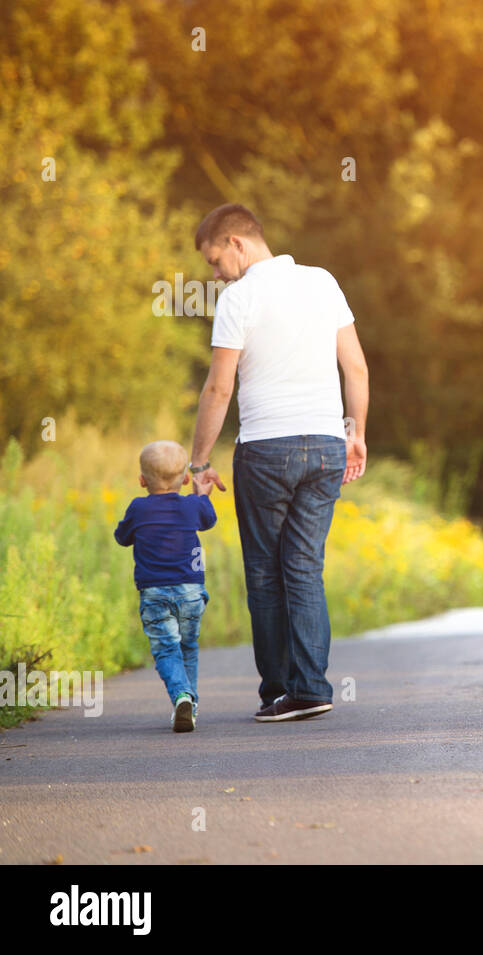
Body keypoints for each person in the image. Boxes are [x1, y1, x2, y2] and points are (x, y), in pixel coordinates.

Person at [187, 203, 369, 723]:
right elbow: (354, 365)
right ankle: (311, 687)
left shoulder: (239, 298)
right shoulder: (322, 282)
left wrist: (199, 464)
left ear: (237, 244)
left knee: (266, 573)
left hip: (267, 449)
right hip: (327, 445)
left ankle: (277, 693)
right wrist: (355, 431)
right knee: (306, 568)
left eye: (214, 259)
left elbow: (220, 387)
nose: (215, 273)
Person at [113, 440, 217, 732]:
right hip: (191, 593)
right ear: (185, 479)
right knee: (188, 646)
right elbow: (208, 520)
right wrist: (202, 495)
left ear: (142, 480)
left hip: (155, 593)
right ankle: (189, 705)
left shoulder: (138, 507)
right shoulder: (193, 505)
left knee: (166, 650)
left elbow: (122, 538)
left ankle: (182, 696)